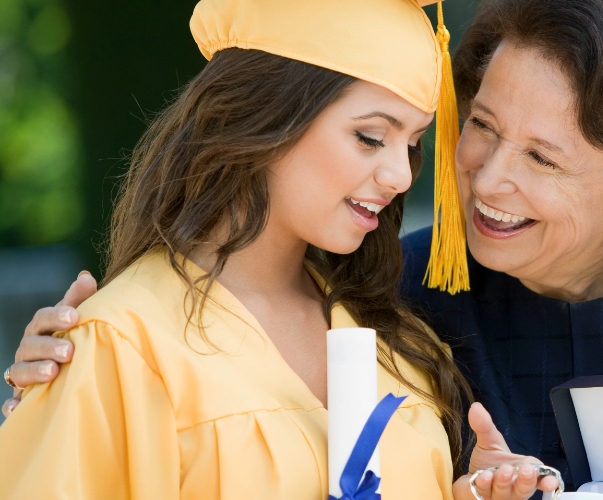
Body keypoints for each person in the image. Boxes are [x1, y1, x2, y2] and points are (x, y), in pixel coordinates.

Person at [7, 0, 603, 498]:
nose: (482, 183)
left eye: (544, 158)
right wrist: (70, 373)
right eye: (480, 127)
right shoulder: (406, 302)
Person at [0, 0, 558, 499]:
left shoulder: (398, 343)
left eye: (412, 145)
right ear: (265, 115)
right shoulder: (119, 345)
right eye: (370, 136)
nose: (399, 176)